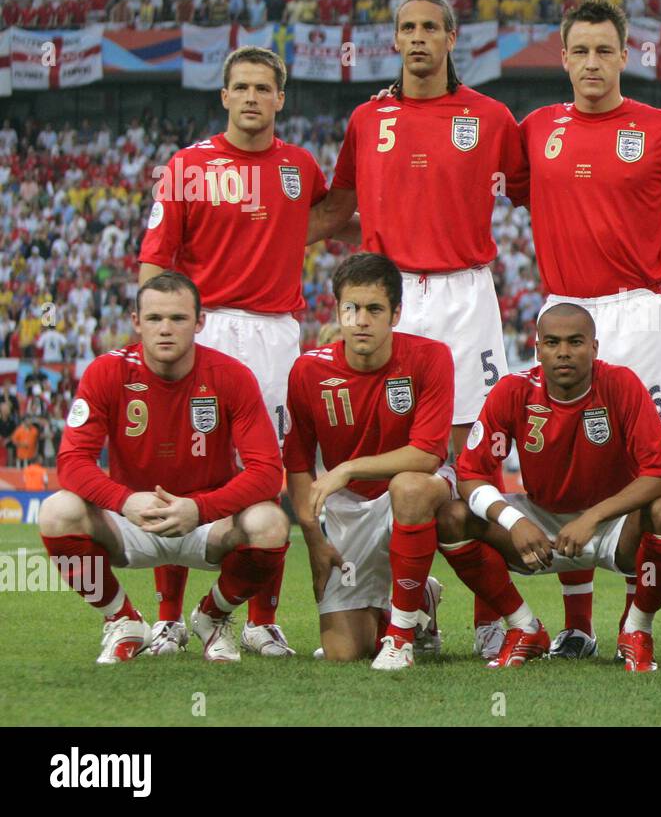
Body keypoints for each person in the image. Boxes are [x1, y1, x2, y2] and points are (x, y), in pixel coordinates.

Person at [314, 0, 528, 662]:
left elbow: (535, 189)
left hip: (465, 294)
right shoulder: (367, 117)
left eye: (430, 28)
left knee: (469, 465)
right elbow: (339, 209)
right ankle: (405, 601)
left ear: (451, 37)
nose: (417, 38)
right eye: (406, 27)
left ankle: (493, 616)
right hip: (389, 294)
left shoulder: (491, 117)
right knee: (393, 455)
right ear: (395, 38)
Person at [514, 0, 661, 660]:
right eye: (581, 50)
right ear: (563, 57)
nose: (593, 62)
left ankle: (636, 622)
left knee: (643, 470)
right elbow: (521, 189)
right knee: (564, 466)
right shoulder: (536, 127)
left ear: (627, 55)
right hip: (562, 306)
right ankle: (576, 623)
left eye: (605, 49)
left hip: (638, 307)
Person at [138, 46, 329, 658]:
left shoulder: (300, 166)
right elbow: (154, 259)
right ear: (223, 96)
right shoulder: (187, 167)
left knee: (265, 473)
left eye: (262, 88)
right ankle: (169, 618)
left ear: (280, 98)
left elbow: (331, 215)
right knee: (184, 468)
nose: (251, 98)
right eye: (240, 87)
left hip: (275, 332)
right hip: (206, 325)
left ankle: (259, 619)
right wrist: (157, 336)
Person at [38, 272, 287, 663]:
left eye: (178, 318)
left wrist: (202, 508)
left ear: (200, 322)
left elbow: (268, 471)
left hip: (207, 524)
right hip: (132, 521)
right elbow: (71, 462)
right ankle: (123, 621)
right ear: (136, 322)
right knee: (56, 512)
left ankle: (212, 616)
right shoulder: (106, 372)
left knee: (270, 523)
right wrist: (124, 501)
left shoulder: (231, 375)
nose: (165, 329)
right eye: (154, 319)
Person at [445, 302, 661, 671]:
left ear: (594, 347)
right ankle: (524, 627)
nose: (564, 352)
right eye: (553, 343)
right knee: (451, 517)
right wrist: (513, 521)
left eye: (575, 342)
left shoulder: (621, 384)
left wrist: (593, 518)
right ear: (537, 348)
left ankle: (637, 630)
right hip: (539, 520)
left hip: (612, 526)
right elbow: (470, 473)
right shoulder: (513, 390)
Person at [282, 253, 453, 670]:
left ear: (396, 313)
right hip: (349, 506)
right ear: (337, 309)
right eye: (350, 308)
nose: (360, 320)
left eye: (374, 309)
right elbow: (299, 463)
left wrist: (347, 467)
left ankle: (401, 635)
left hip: (413, 489)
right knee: (344, 653)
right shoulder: (307, 371)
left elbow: (428, 453)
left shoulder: (430, 357)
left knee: (409, 487)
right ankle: (417, 595)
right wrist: (313, 537)